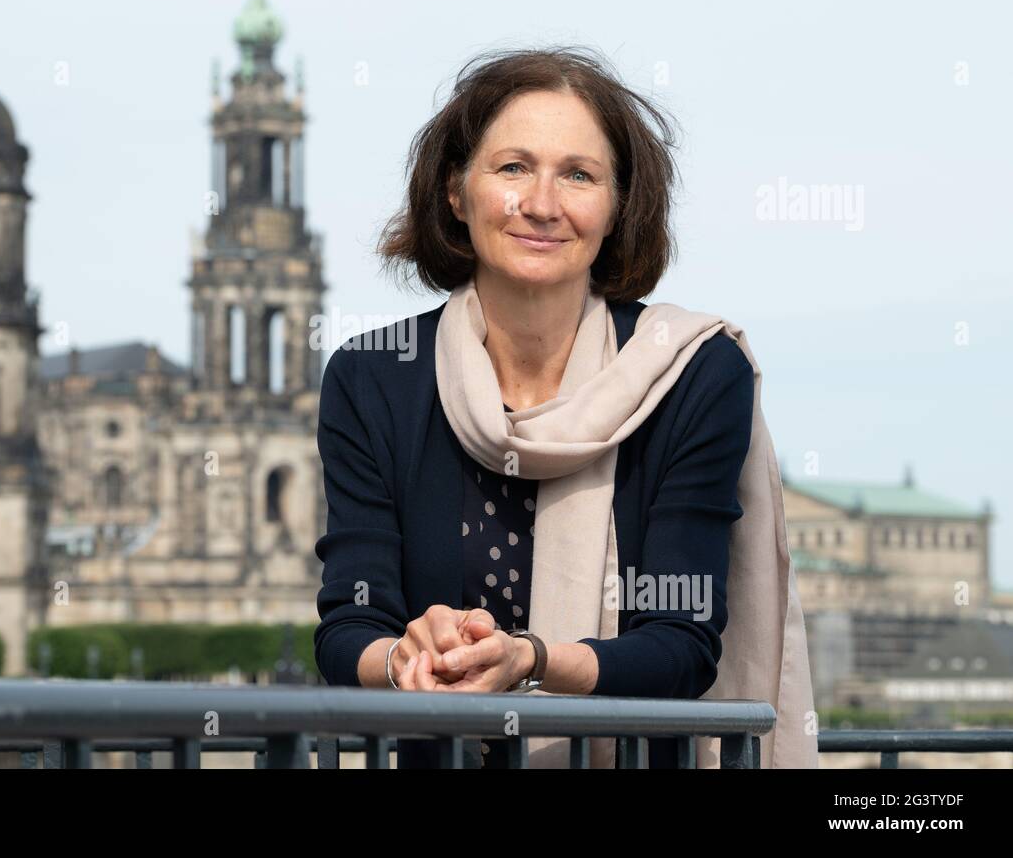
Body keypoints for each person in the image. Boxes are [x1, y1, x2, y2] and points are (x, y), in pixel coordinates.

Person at [313, 46, 816, 769]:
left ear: (618, 209)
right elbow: (348, 627)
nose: (542, 204)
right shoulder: (371, 377)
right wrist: (403, 657)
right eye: (512, 168)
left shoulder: (693, 371)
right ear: (456, 194)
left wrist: (530, 660)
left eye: (579, 175)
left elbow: (682, 642)